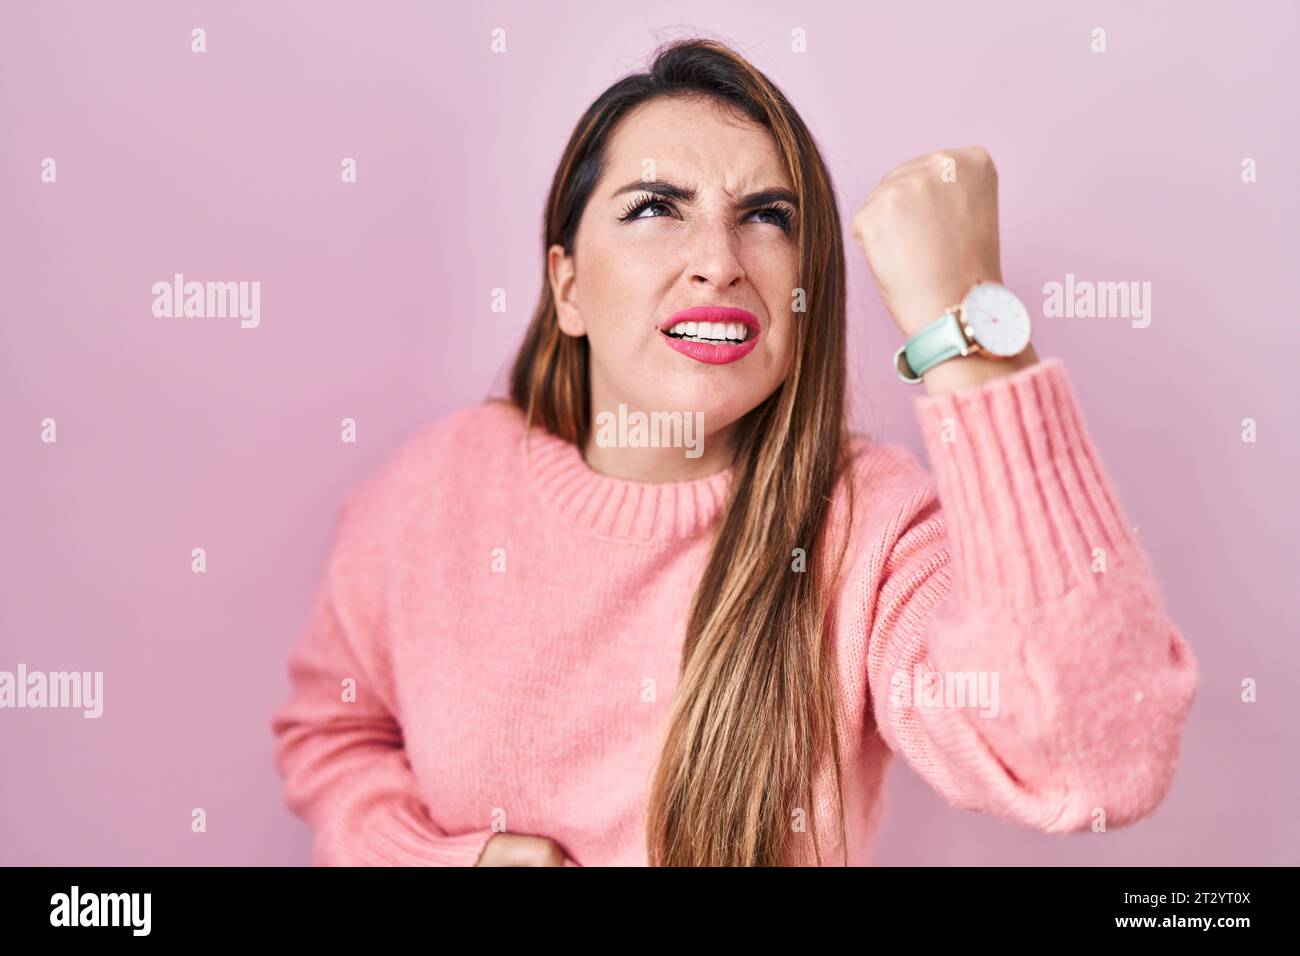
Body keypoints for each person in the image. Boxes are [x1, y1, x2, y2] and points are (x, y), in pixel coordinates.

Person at [270, 37, 1199, 867]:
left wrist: (964, 316)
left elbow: (1095, 759)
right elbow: (333, 737)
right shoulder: (435, 487)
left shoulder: (871, 528)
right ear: (568, 290)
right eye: (654, 208)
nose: (719, 259)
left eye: (767, 216)